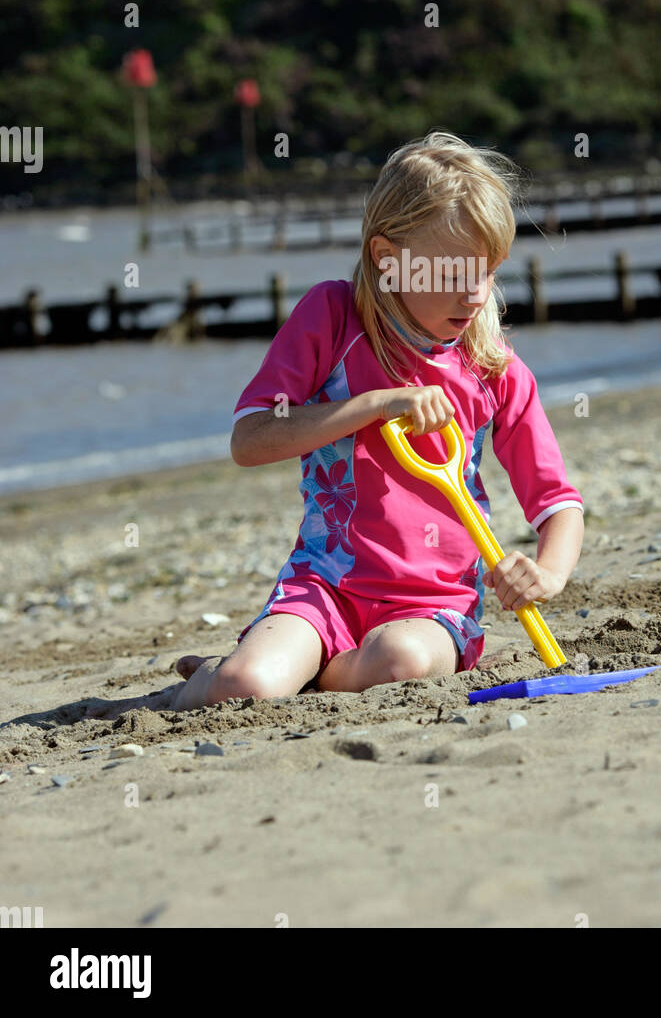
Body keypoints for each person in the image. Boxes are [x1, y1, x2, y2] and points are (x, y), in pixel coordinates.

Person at [170, 131, 583, 709]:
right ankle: (229, 670)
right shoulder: (333, 318)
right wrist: (375, 405)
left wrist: (550, 573)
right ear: (389, 261)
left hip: (435, 606)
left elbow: (557, 501)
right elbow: (250, 439)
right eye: (452, 274)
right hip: (326, 585)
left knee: (402, 661)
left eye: (486, 273)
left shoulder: (492, 367)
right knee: (245, 688)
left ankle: (313, 672)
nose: (473, 295)